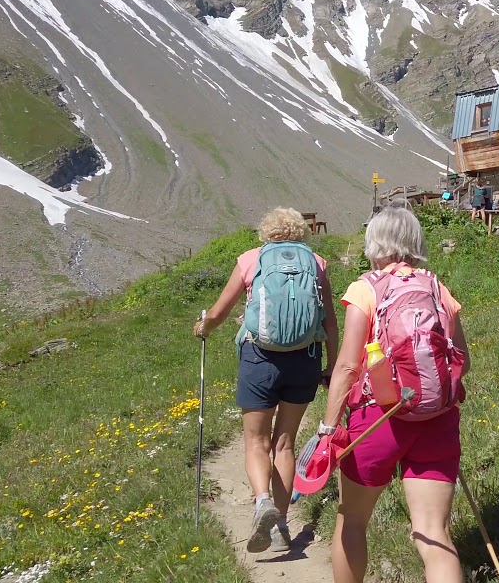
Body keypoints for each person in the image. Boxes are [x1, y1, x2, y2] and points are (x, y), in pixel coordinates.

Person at [320, 204, 471, 583]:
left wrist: (328, 428)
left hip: (378, 419)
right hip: (436, 419)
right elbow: (463, 362)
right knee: (434, 532)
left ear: (375, 243)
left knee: (352, 520)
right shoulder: (438, 288)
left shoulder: (365, 289)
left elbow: (347, 367)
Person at [195, 207, 339, 553]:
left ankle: (263, 503)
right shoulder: (317, 263)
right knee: (284, 444)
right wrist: (332, 367)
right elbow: (331, 322)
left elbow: (219, 311)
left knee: (256, 442)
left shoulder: (250, 260)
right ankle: (283, 523)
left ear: (266, 232)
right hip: (304, 361)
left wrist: (203, 328)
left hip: (259, 360)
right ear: (301, 232)